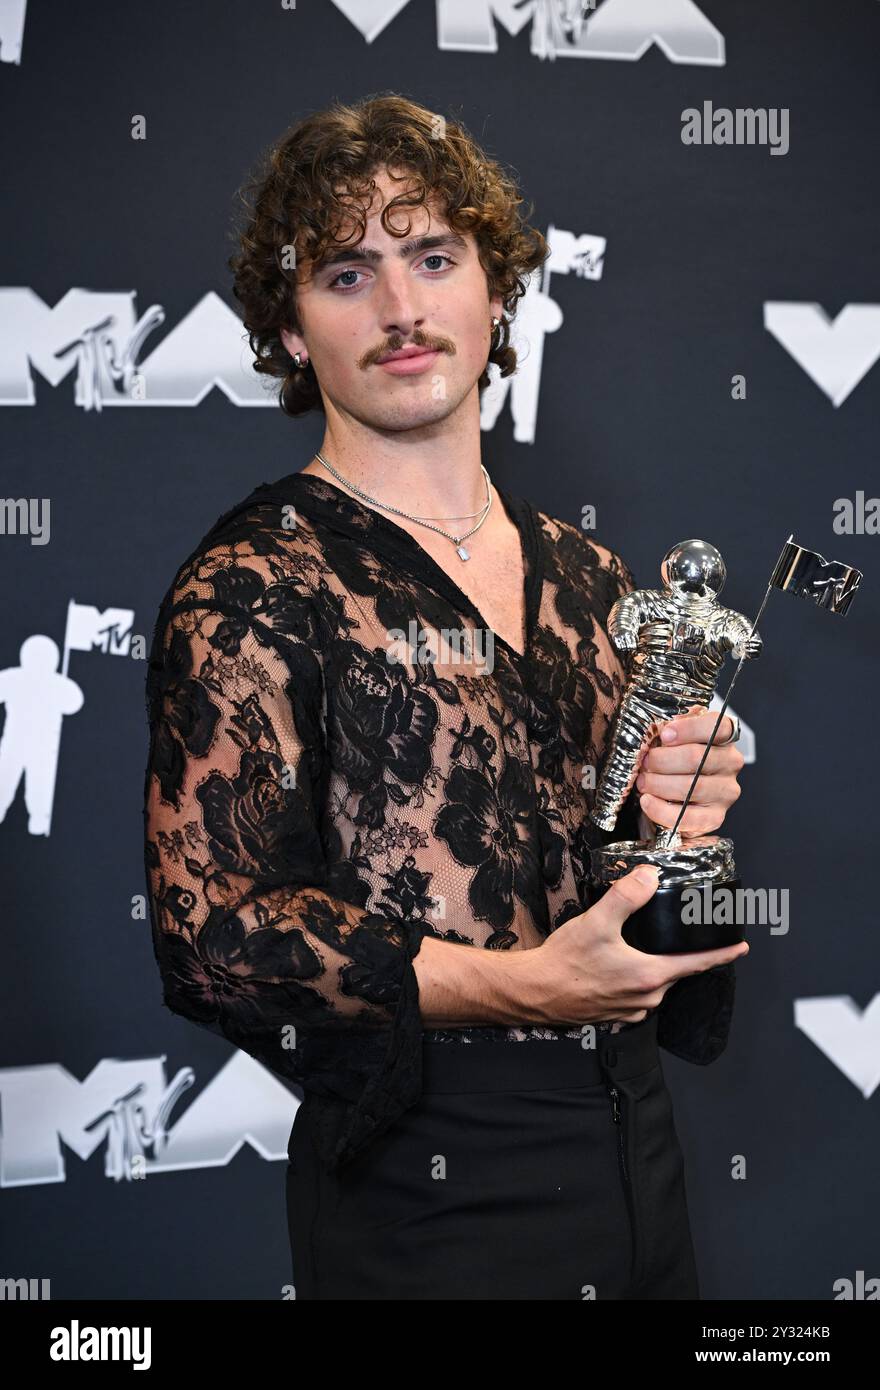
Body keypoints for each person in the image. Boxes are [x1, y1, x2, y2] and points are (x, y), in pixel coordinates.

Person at [142, 94, 749, 1300]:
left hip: (640, 1169)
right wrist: (516, 988)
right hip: (426, 1200)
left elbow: (629, 900)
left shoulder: (590, 577)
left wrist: (678, 812)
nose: (403, 309)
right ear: (286, 325)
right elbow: (209, 936)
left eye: (432, 258)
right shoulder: (256, 581)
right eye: (346, 272)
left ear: (497, 290)